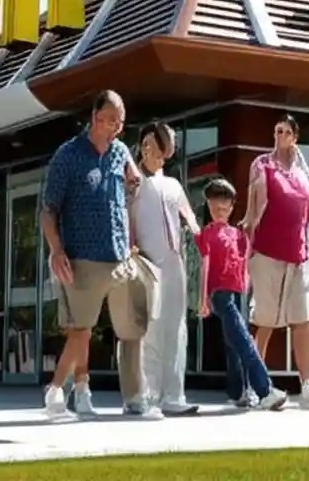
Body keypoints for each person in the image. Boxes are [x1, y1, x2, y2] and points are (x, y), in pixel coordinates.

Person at [41, 90, 159, 419]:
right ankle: (57, 392)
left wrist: (134, 178)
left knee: (133, 325)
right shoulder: (69, 156)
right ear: (94, 117)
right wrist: (56, 249)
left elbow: (133, 178)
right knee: (81, 330)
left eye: (119, 123)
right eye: (108, 121)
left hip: (121, 256)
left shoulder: (120, 151)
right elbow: (48, 210)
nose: (113, 128)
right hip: (83, 257)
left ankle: (135, 399)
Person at [240, 114, 309, 410]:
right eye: (276, 130)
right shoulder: (262, 165)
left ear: (294, 137)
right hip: (268, 253)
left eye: (284, 131)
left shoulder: (301, 171)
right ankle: (256, 387)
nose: (279, 135)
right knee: (266, 320)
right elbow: (254, 205)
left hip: (299, 255)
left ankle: (308, 388)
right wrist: (247, 234)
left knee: (302, 319)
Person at [196, 178, 288, 411]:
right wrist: (203, 298)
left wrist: (248, 288)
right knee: (245, 340)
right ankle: (264, 389)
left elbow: (244, 264)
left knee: (235, 341)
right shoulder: (207, 233)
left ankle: (239, 391)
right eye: (216, 204)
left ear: (231, 207)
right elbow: (204, 264)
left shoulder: (238, 235)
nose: (221, 209)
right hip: (220, 294)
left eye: (225, 205)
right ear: (208, 205)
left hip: (239, 292)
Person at [133, 121, 201, 416]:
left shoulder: (173, 185)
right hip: (147, 262)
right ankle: (146, 395)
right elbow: (124, 219)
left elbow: (192, 221)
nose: (152, 150)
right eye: (147, 144)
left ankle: (174, 394)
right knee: (149, 329)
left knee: (176, 328)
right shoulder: (132, 184)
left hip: (175, 263)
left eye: (158, 145)